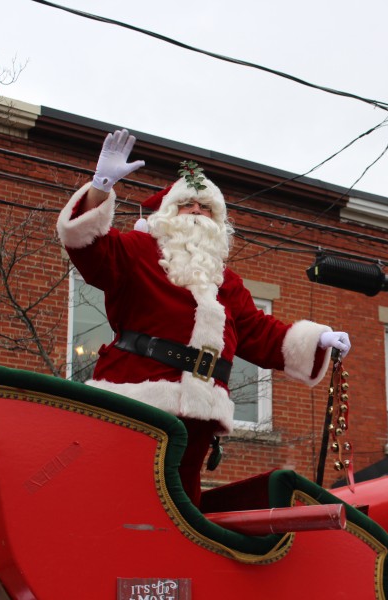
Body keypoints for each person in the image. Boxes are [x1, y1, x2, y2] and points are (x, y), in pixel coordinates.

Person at [57, 129, 351, 506]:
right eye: (187, 205)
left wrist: (319, 339)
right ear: (167, 215)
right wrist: (100, 187)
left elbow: (258, 331)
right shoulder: (138, 250)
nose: (196, 212)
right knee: (123, 495)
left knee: (183, 506)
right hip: (136, 396)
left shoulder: (226, 281)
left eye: (206, 208)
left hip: (200, 407)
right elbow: (90, 248)